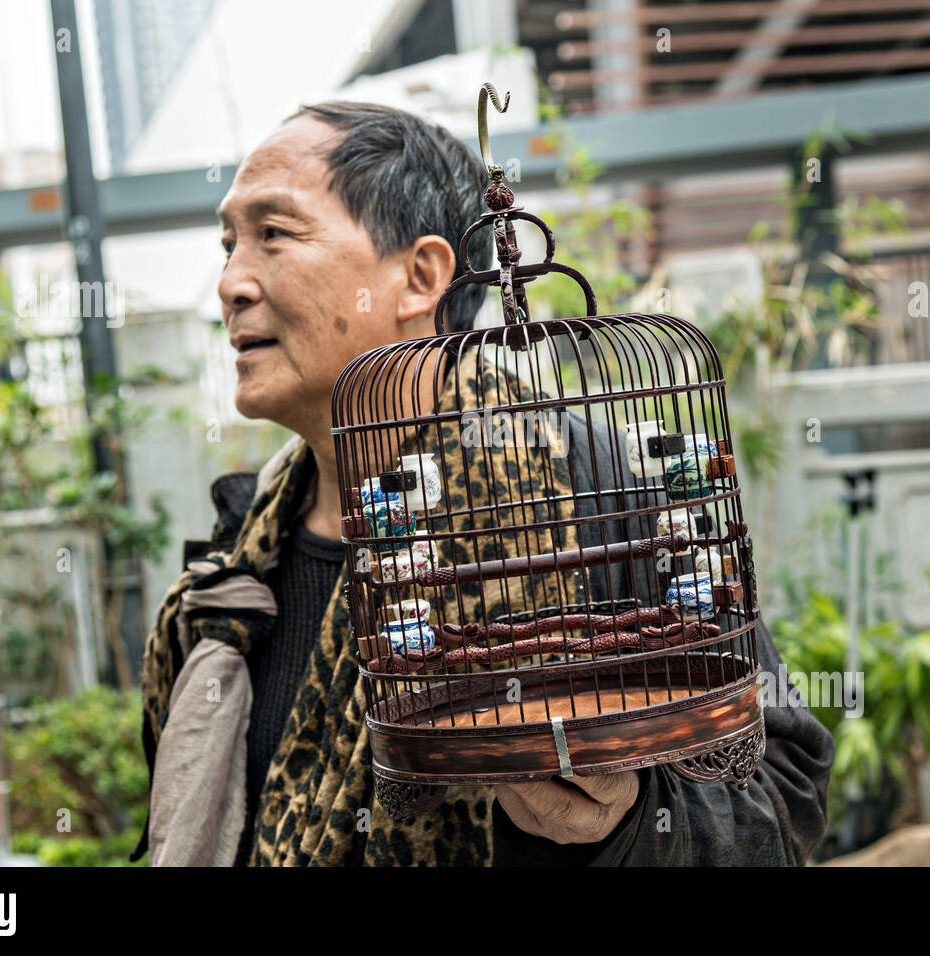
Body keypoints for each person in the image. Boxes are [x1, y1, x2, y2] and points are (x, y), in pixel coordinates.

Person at [134, 101, 834, 866]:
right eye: (230, 243)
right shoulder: (236, 565)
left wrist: (626, 822)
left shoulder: (597, 488)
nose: (231, 283)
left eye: (273, 234)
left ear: (420, 276)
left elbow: (784, 801)